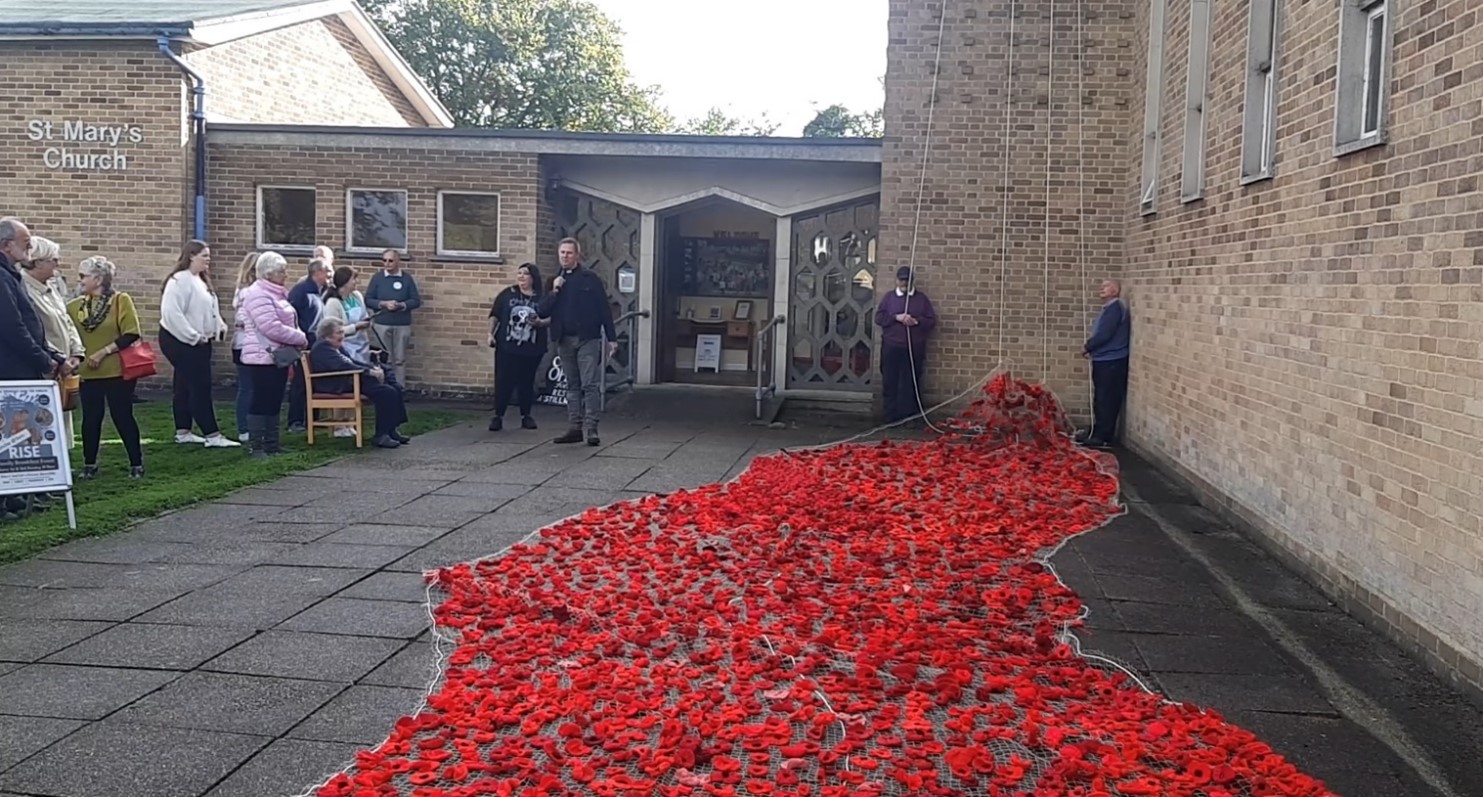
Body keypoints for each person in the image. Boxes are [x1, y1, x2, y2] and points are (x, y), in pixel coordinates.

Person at [68, 256, 145, 479]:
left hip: (118, 371)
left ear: (99, 278)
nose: (79, 280)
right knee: (91, 418)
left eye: (84, 275)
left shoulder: (121, 300)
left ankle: (136, 463)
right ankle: (89, 464)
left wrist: (103, 352)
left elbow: (131, 333)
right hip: (88, 373)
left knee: (122, 416)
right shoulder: (75, 306)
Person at [159, 240, 237, 448]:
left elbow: (210, 308)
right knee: (199, 386)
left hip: (199, 341)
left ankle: (183, 431)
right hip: (181, 341)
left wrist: (219, 325)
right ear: (191, 256)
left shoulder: (200, 280)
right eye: (204, 255)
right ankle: (212, 435)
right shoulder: (178, 281)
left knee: (183, 384)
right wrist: (193, 336)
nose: (208, 259)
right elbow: (172, 314)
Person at [538, 238, 616, 446]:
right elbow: (542, 310)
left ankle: (592, 429)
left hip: (587, 338)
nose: (565, 256)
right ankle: (574, 427)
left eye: (569, 253)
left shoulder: (590, 279)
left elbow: (604, 310)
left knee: (589, 384)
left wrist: (612, 338)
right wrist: (555, 291)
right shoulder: (554, 281)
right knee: (572, 385)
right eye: (562, 253)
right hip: (564, 339)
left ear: (577, 255)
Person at [239, 251, 307, 458]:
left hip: (276, 355)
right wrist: (301, 338)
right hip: (262, 356)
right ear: (269, 273)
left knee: (274, 399)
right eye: (282, 271)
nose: (286, 275)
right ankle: (257, 446)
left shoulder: (275, 293)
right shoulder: (258, 294)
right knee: (262, 400)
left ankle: (272, 444)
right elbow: (271, 327)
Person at [20, 237, 84, 448]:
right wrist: (57, 359)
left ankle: (62, 463)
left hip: (64, 366)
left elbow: (66, 321)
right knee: (42, 421)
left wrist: (76, 353)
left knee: (63, 415)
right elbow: (35, 331)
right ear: (37, 262)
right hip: (46, 365)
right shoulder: (22, 289)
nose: (57, 265)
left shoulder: (52, 287)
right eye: (53, 260)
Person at [309, 317, 410, 449]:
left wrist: (371, 368)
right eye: (338, 332)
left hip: (350, 379)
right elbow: (341, 366)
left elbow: (352, 362)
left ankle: (391, 429)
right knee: (387, 392)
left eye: (342, 332)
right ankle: (381, 434)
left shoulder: (336, 347)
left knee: (394, 387)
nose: (342, 335)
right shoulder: (322, 348)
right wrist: (369, 372)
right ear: (327, 335)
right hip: (336, 384)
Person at [0, 217, 65, 382]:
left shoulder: (10, 275)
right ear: (6, 245)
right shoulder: (3, 276)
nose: (30, 247)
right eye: (26, 242)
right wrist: (43, 361)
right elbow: (12, 326)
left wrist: (53, 356)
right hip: (12, 371)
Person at [488, 263, 548, 431]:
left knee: (526, 381)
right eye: (519, 273)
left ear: (533, 278)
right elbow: (495, 315)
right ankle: (498, 415)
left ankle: (525, 415)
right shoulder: (508, 294)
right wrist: (490, 334)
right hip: (507, 346)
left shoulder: (541, 297)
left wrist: (540, 323)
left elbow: (552, 316)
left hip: (532, 348)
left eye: (525, 274)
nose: (521, 277)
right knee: (503, 380)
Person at [874, 266, 938, 423]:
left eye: (907, 280)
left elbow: (931, 320)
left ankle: (909, 417)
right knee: (890, 381)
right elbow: (879, 318)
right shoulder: (889, 298)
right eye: (901, 279)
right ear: (896, 280)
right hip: (891, 346)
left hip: (913, 348)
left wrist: (916, 321)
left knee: (910, 382)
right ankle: (890, 416)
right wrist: (896, 318)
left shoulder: (921, 299)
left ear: (911, 281)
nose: (904, 283)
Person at [321, 266, 373, 437]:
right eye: (353, 279)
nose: (356, 282)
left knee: (356, 385)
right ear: (344, 282)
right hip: (345, 345)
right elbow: (333, 328)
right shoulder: (333, 302)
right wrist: (354, 327)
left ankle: (350, 422)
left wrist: (367, 322)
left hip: (361, 345)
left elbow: (364, 314)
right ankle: (338, 425)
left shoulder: (357, 296)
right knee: (343, 385)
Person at [1081, 278, 1131, 449]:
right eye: (1101, 286)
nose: (1102, 288)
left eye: (1107, 286)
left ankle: (1103, 436)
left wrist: (1088, 347)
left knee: (1106, 398)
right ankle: (1097, 431)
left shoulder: (1115, 309)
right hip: (1104, 359)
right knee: (1101, 398)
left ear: (1116, 291)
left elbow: (1105, 334)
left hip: (1111, 360)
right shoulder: (1109, 309)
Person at [286, 258, 329, 433]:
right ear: (317, 272)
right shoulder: (302, 291)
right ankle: (295, 420)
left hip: (317, 341)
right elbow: (291, 316)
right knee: (301, 382)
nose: (330, 275)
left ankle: (313, 418)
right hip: (305, 341)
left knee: (315, 381)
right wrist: (298, 338)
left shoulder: (322, 292)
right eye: (328, 271)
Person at [364, 249, 421, 379]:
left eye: (390, 261)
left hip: (402, 324)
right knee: (384, 358)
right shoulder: (377, 278)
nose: (387, 263)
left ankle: (400, 389)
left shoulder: (406, 279)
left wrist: (401, 305)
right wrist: (383, 304)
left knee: (400, 359)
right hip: (382, 323)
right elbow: (368, 299)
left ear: (397, 261)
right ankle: (386, 388)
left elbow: (415, 301)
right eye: (384, 260)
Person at [230, 253, 259, 442]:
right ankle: (244, 428)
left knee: (251, 387)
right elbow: (241, 320)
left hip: (247, 344)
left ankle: (251, 426)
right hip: (245, 345)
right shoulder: (247, 292)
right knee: (247, 388)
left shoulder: (245, 291)